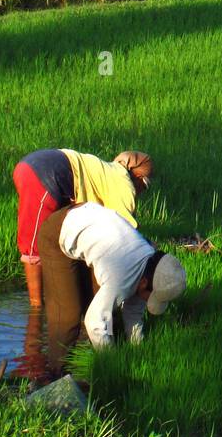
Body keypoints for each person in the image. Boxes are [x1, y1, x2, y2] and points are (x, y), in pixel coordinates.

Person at [35, 201, 187, 373]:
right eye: (151, 297)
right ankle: (54, 374)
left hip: (92, 227)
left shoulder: (149, 267)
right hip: (58, 233)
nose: (148, 301)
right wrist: (113, 365)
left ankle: (90, 364)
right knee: (68, 315)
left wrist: (139, 352)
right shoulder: (123, 276)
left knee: (99, 305)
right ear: (144, 283)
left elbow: (134, 313)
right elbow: (94, 322)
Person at [12, 148, 153, 307]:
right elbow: (127, 233)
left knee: (58, 238)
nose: (141, 192)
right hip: (45, 174)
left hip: (36, 166)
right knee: (33, 245)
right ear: (139, 177)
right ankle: (36, 308)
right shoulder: (124, 184)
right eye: (145, 186)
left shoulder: (109, 172)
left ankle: (55, 299)